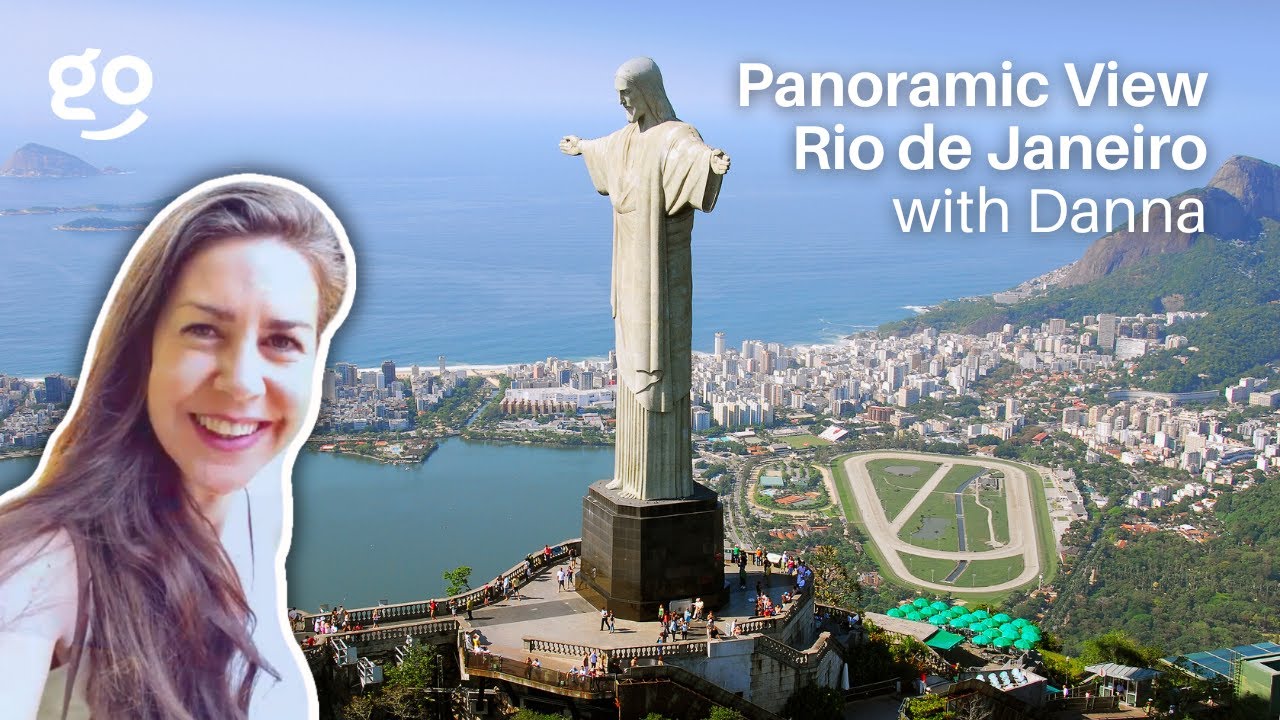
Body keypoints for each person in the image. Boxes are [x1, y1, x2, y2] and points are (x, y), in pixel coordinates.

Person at [0, 176, 355, 720]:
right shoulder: (42, 566)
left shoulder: (250, 523)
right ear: (142, 349)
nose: (242, 382)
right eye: (204, 331)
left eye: (282, 341)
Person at [560, 57, 729, 501]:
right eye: (618, 95)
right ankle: (630, 477)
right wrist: (582, 146)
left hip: (660, 268)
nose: (621, 102)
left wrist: (710, 164)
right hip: (630, 266)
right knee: (632, 360)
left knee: (659, 364)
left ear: (648, 91)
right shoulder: (627, 138)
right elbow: (605, 149)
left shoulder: (676, 135)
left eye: (627, 94)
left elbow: (691, 157)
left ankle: (663, 482)